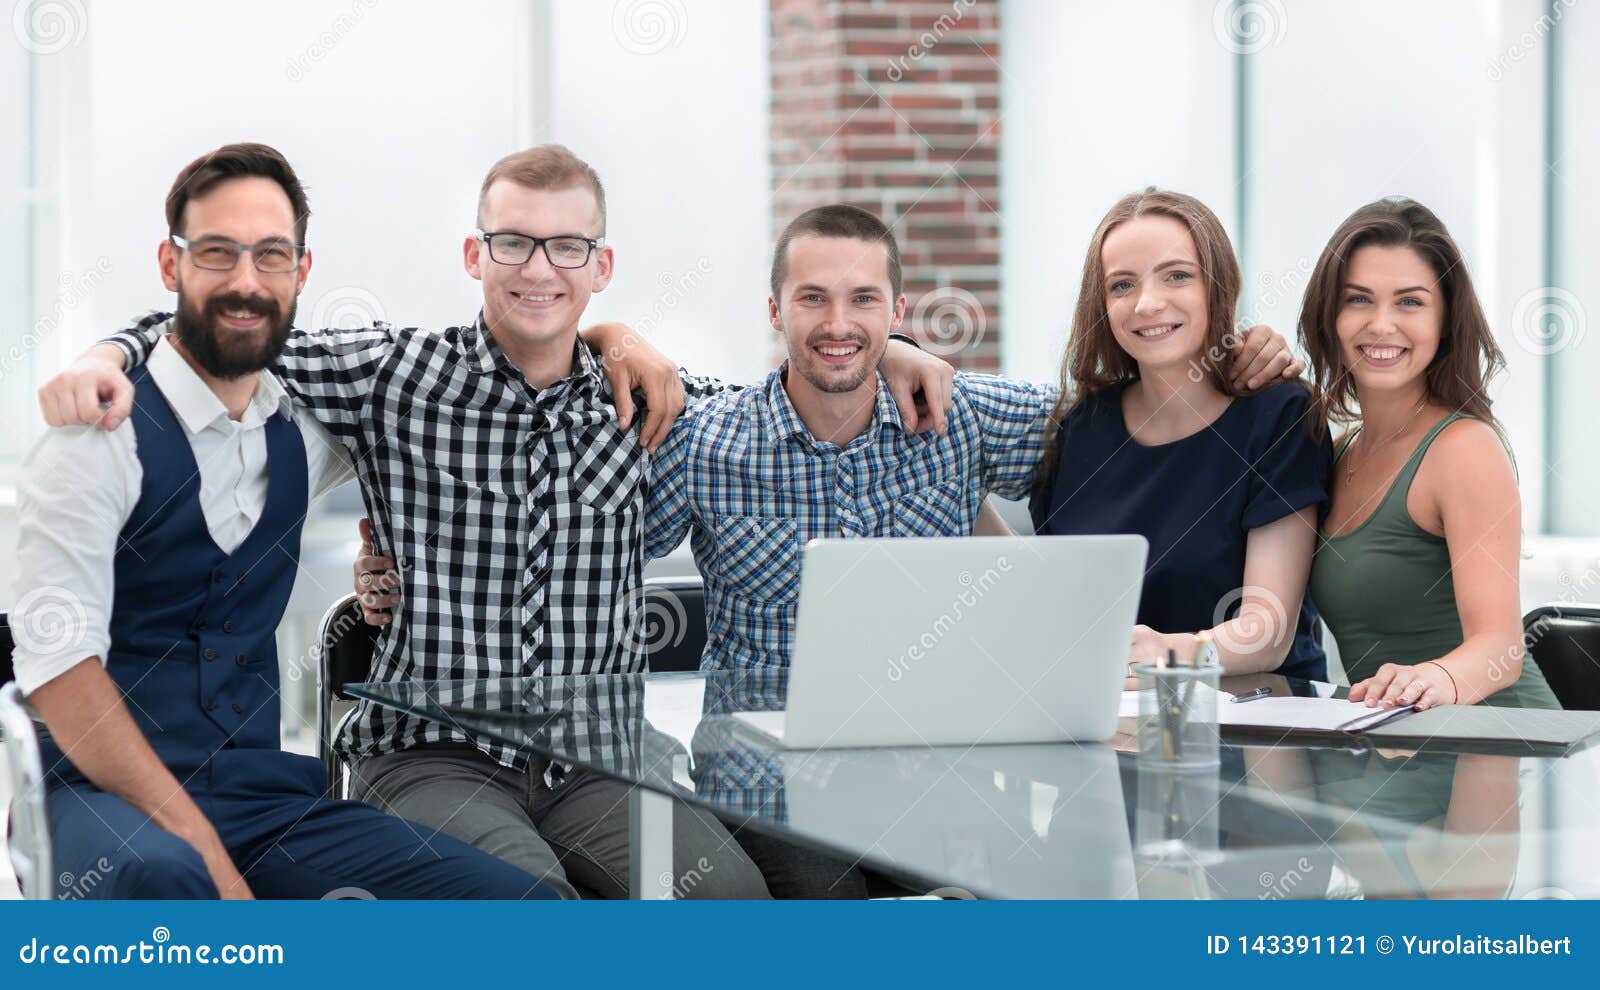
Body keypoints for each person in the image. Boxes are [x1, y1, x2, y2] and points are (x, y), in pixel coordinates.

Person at [37, 144, 957, 899]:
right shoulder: (391, 377)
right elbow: (219, 328)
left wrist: (898, 354)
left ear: (602, 267)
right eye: (513, 243)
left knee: (729, 906)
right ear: (476, 256)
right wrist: (104, 354)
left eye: (566, 248)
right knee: (530, 912)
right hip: (432, 755)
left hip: (605, 765)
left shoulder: (656, 402)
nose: (538, 269)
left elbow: (801, 392)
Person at [12, 143, 556, 900]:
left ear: (301, 273)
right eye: (216, 253)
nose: (245, 281)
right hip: (99, 802)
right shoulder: (92, 441)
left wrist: (611, 339)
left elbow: (492, 370)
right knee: (164, 880)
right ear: (170, 268)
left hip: (257, 797)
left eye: (271, 256)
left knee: (513, 905)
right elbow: (60, 673)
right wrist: (205, 852)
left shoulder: (305, 430)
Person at [1030, 188, 1333, 681]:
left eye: (1177, 276)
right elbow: (1052, 598)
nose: (1148, 303)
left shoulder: (1279, 416)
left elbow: (1268, 634)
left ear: (1217, 286)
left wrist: (1168, 653)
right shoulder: (1082, 427)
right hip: (1112, 725)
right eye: (1122, 285)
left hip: (1258, 729)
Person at [1300, 197, 1559, 710]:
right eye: (1358, 299)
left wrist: (1430, 679)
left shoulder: (1463, 448)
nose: (1381, 323)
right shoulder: (1337, 451)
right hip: (1391, 740)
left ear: (1444, 322)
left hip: (1492, 744)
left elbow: (1502, 650)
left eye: (1410, 302)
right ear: (1330, 316)